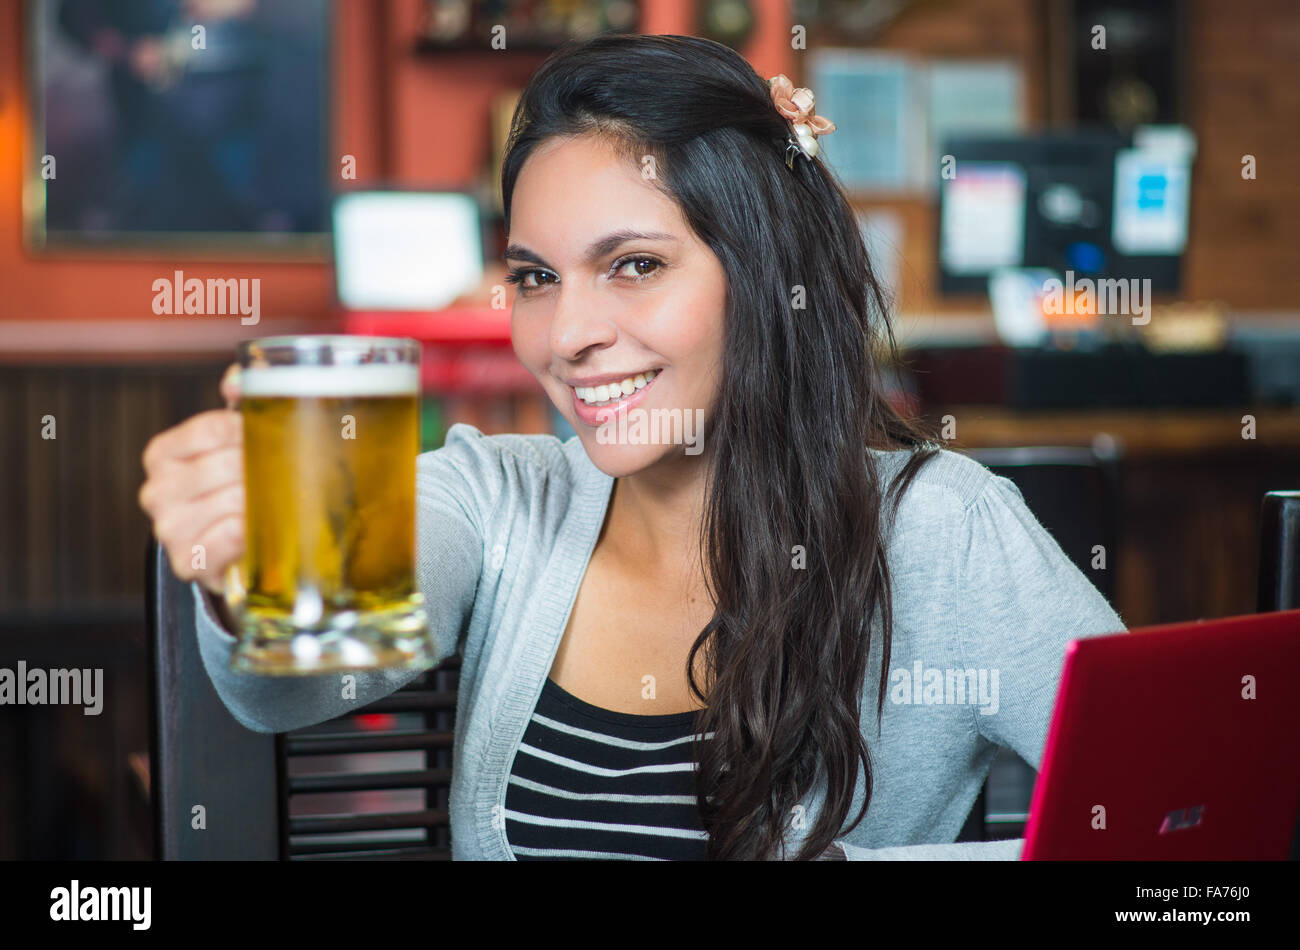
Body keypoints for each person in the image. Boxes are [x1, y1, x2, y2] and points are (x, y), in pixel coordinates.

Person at [137, 33, 1126, 861]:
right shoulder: (494, 498)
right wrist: (254, 564)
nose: (565, 335)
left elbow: (1187, 819)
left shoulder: (940, 528)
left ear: (763, 268)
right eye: (534, 277)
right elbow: (293, 683)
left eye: (633, 264)